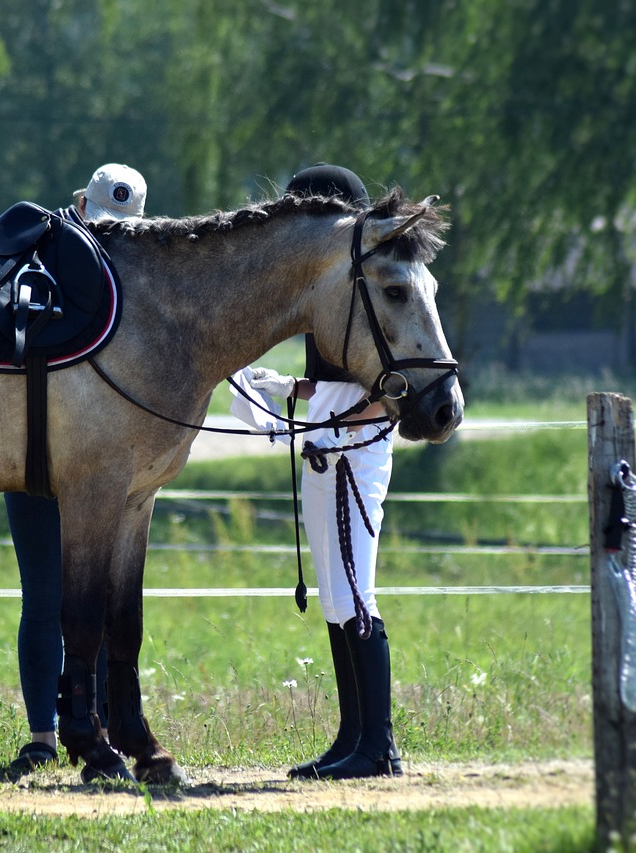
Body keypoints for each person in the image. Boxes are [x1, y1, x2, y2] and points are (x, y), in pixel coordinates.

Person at [235, 164, 403, 780]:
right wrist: (292, 389)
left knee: (357, 592)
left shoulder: (376, 283)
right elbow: (336, 379)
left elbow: (395, 378)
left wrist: (345, 421)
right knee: (336, 597)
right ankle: (351, 737)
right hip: (331, 432)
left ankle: (378, 746)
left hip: (356, 440)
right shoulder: (331, 287)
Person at [6, 163, 148, 773]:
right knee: (44, 599)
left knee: (104, 601)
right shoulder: (39, 262)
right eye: (102, 221)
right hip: (37, 455)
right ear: (82, 208)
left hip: (105, 464)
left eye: (123, 226)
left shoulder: (145, 287)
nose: (109, 235)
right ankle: (41, 735)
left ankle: (96, 727)